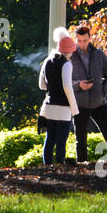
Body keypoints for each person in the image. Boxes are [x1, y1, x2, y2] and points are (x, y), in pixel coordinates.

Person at [68, 23, 107, 164]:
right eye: (79, 40)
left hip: (99, 102)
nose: (82, 44)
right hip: (80, 104)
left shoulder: (99, 54)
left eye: (84, 40)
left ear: (90, 38)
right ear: (75, 39)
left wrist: (103, 92)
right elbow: (65, 82)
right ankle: (82, 169)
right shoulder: (70, 57)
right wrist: (78, 85)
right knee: (81, 140)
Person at [37, 27, 77, 165]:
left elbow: (42, 85)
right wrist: (74, 108)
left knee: (49, 139)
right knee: (61, 141)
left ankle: (46, 167)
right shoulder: (66, 64)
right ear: (69, 50)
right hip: (63, 108)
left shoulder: (47, 61)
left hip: (49, 106)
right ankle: (60, 166)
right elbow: (67, 86)